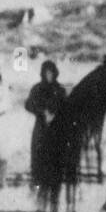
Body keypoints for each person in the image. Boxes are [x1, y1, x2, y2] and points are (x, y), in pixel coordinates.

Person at [25, 59, 66, 194]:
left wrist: (55, 115)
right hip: (41, 127)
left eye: (50, 72)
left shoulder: (60, 90)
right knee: (37, 158)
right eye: (45, 72)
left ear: (55, 73)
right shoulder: (37, 88)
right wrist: (41, 112)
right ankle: (37, 187)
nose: (48, 75)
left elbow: (66, 107)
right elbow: (28, 104)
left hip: (56, 128)